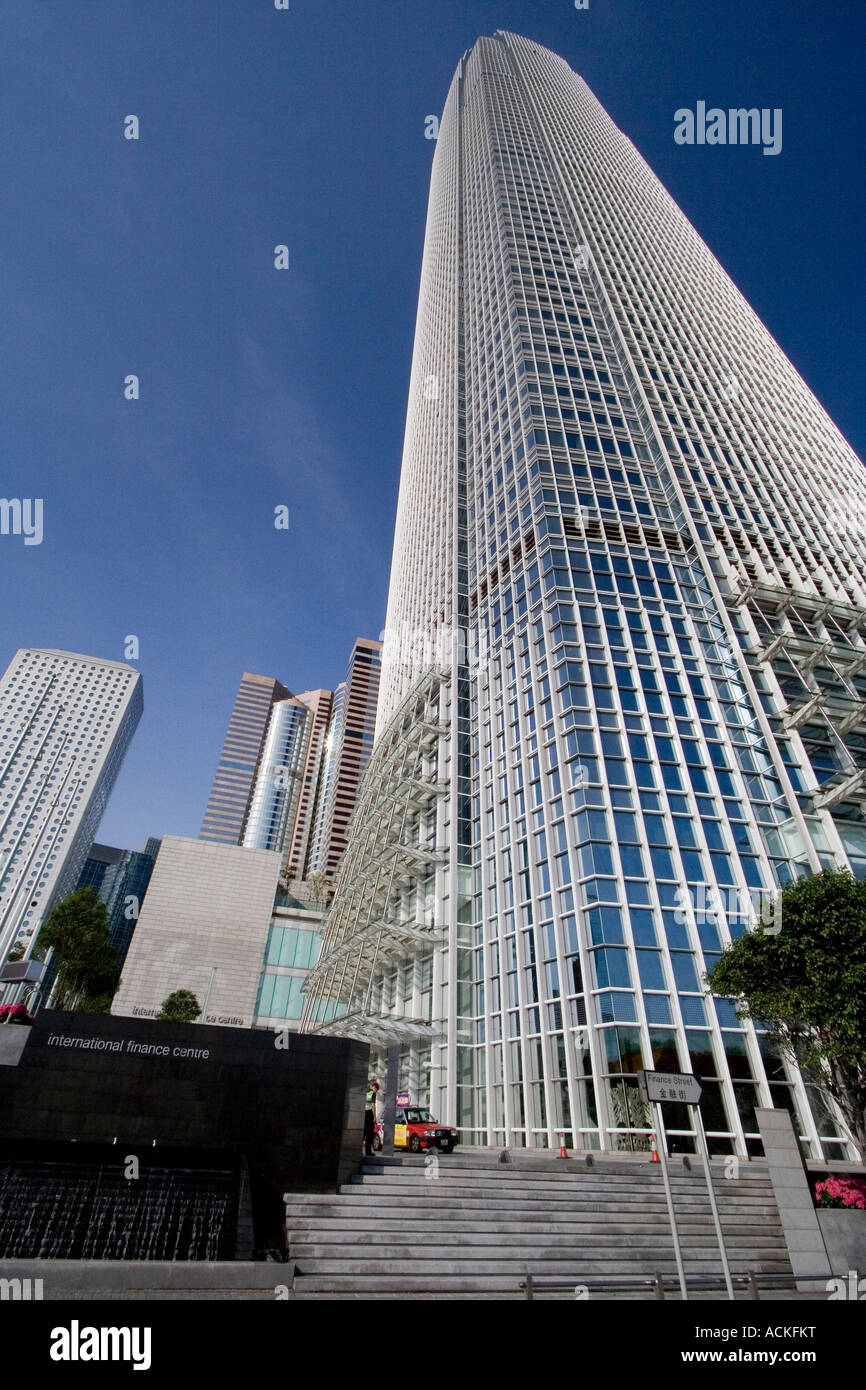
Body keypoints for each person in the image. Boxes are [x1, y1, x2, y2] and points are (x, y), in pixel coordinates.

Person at [364, 1079, 380, 1155]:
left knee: (363, 1133)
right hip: (369, 1114)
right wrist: (374, 1117)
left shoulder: (366, 1092)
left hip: (364, 1113)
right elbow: (373, 1105)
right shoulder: (373, 1094)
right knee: (369, 1134)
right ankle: (368, 1151)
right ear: (374, 1087)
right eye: (376, 1089)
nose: (376, 1091)